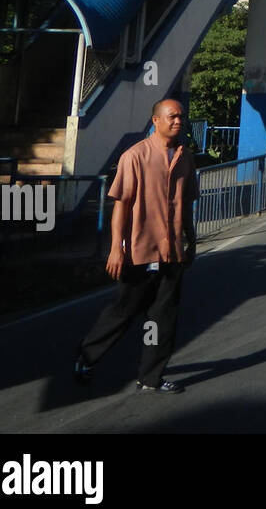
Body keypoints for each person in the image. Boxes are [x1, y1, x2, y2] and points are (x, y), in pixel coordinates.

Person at [73, 98, 197, 393]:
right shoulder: (135, 157)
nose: (177, 121)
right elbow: (121, 206)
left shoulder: (185, 158)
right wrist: (116, 248)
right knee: (124, 311)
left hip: (172, 254)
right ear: (155, 120)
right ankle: (87, 357)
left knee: (162, 319)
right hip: (139, 253)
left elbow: (187, 205)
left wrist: (190, 241)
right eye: (171, 117)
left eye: (180, 116)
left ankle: (150, 376)